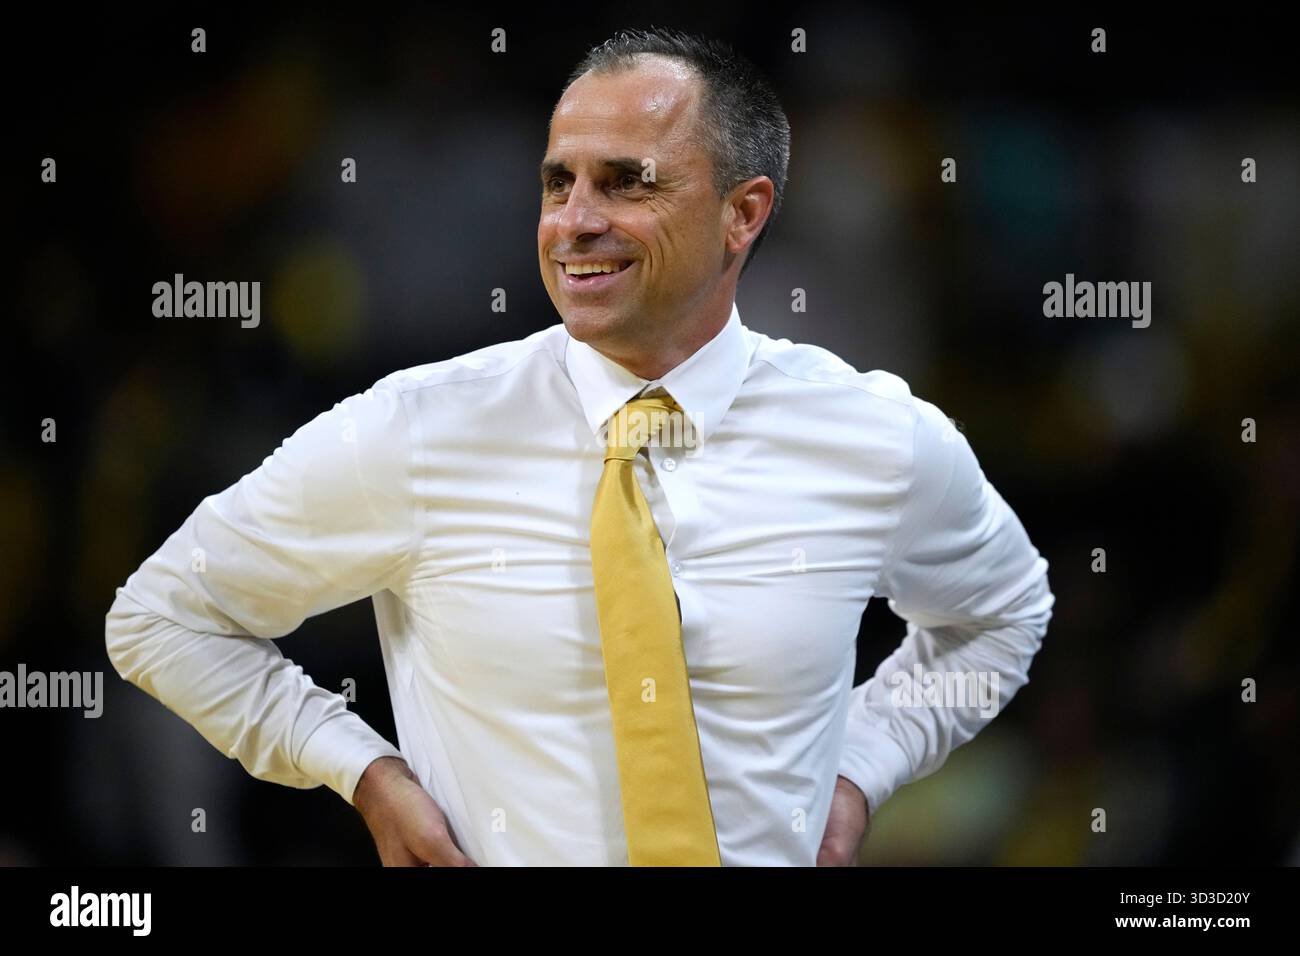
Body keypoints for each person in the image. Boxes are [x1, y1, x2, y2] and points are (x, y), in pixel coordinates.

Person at [105, 27, 1054, 866]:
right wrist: (362, 771)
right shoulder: (418, 429)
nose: (576, 221)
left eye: (627, 182)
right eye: (559, 181)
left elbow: (1003, 612)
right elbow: (162, 615)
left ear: (744, 213)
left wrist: (858, 770)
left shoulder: (873, 436)